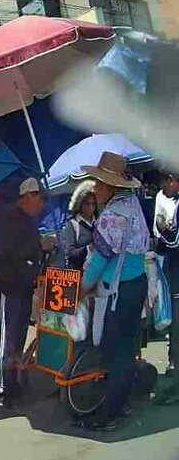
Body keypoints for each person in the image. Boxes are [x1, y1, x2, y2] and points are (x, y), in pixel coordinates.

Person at [75, 152, 151, 431]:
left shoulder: (111, 216)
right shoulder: (132, 204)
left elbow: (99, 261)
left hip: (118, 291)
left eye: (98, 182)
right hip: (137, 284)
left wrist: (82, 289)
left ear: (111, 185)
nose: (94, 187)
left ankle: (109, 413)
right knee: (127, 348)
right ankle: (123, 401)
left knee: (113, 350)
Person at [0, 177, 49, 408]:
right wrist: (27, 263)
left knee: (20, 338)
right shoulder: (8, 219)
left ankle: (14, 381)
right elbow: (1, 252)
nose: (42, 203)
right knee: (9, 339)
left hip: (25, 286)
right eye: (38, 197)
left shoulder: (29, 221)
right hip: (10, 286)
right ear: (26, 197)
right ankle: (5, 386)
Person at [153, 172, 179, 376]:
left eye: (166, 181)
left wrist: (163, 230)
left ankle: (175, 364)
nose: (164, 186)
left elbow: (174, 240)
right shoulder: (161, 198)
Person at [59, 180, 97, 271]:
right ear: (79, 203)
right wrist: (87, 249)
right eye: (87, 204)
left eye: (93, 204)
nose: (90, 208)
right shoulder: (72, 225)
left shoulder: (100, 223)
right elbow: (68, 253)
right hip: (79, 276)